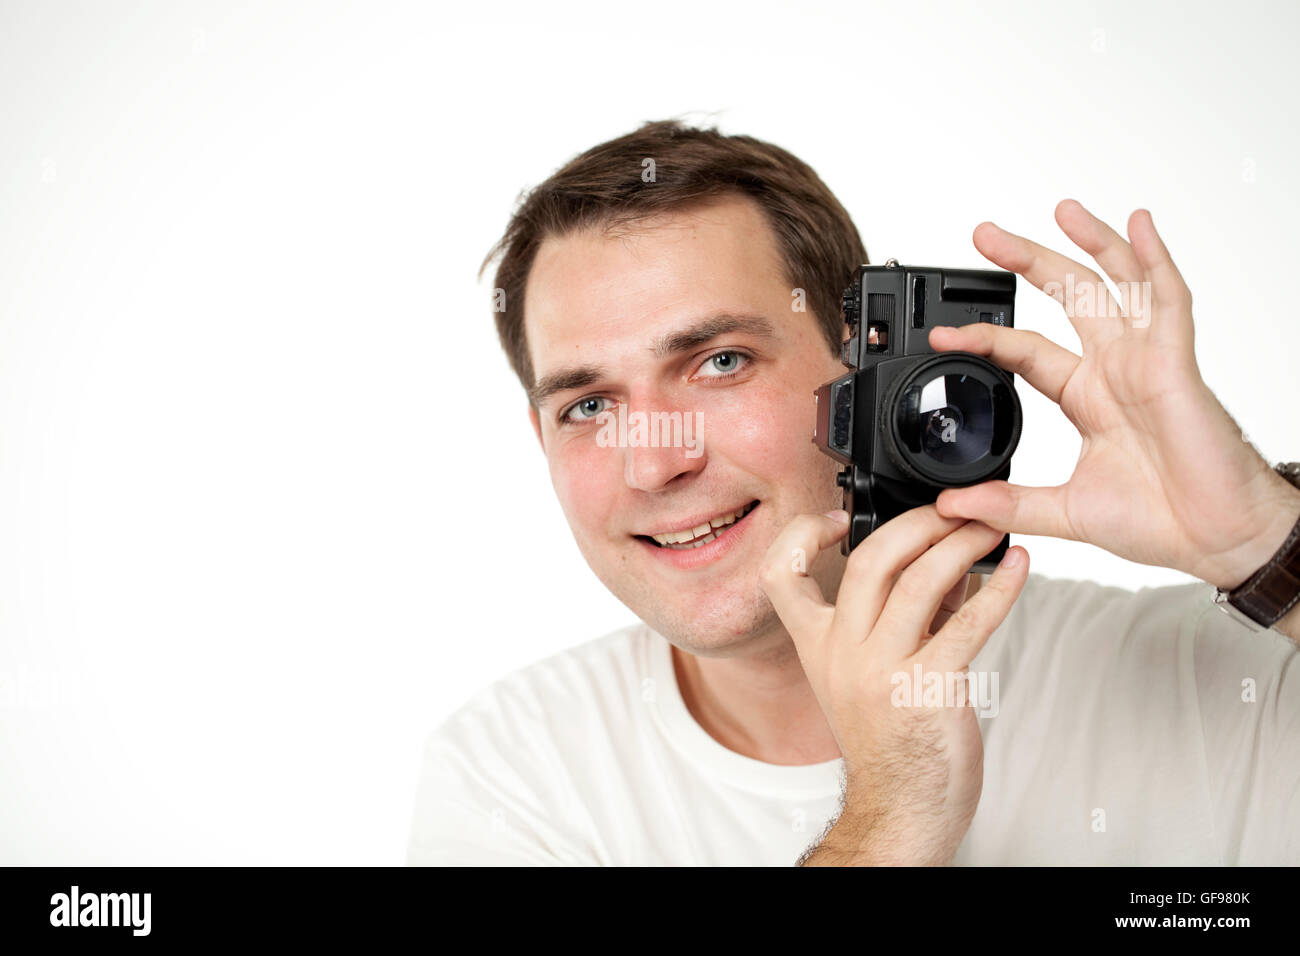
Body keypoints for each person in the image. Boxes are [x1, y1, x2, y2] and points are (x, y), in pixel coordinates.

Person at [407, 119, 1300, 866]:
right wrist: (889, 817)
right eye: (589, 404)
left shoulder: (1203, 684)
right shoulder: (512, 776)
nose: (655, 463)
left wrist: (1264, 537)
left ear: (864, 367)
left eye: (721, 362)